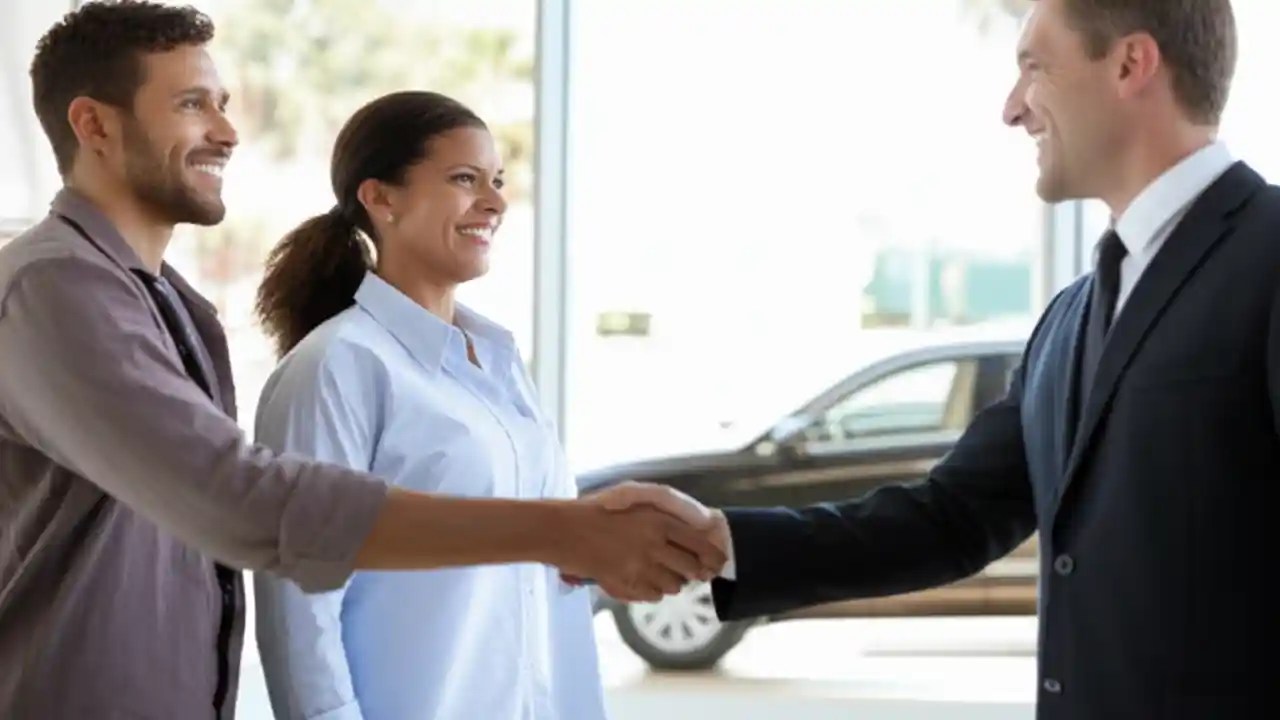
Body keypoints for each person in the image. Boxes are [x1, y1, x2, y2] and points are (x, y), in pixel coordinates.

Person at [0, 3, 722, 718]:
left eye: (221, 104)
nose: (227, 131)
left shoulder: (174, 308)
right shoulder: (56, 287)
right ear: (94, 124)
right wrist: (565, 530)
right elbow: (244, 506)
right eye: (193, 105)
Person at [700, 0, 1279, 717]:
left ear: (1131, 64)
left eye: (1035, 67)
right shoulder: (1069, 318)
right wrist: (711, 542)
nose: (1014, 110)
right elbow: (953, 517)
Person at [249, 90, 610, 720]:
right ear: (381, 197)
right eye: (464, 179)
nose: (495, 202)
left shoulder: (496, 363)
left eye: (496, 180)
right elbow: (297, 609)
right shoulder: (336, 367)